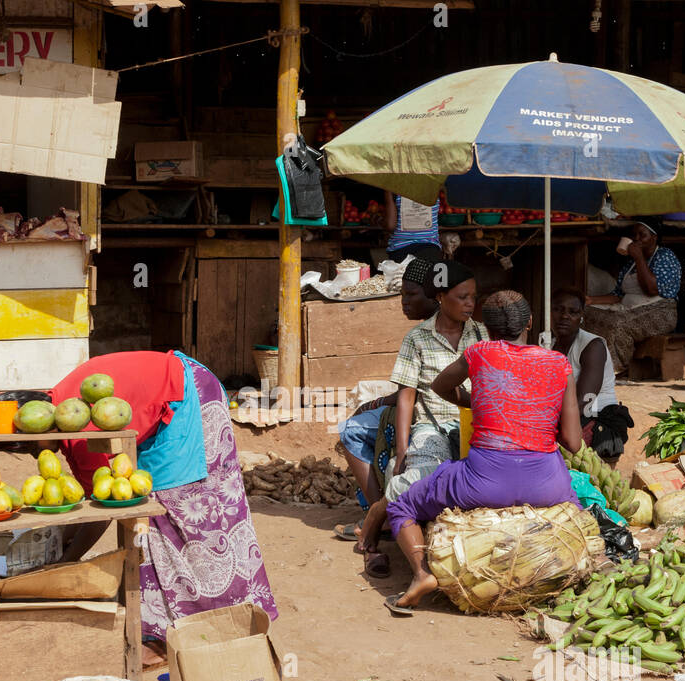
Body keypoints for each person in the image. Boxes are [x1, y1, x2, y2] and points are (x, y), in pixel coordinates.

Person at [43, 350, 278, 656]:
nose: (38, 457)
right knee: (153, 516)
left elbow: (100, 510)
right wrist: (57, 545)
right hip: (172, 396)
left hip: (189, 396)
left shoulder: (78, 429)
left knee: (177, 513)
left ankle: (216, 627)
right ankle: (163, 629)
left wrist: (65, 561)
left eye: (32, 447)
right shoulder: (60, 403)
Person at [383, 290, 583, 614]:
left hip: (482, 481)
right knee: (581, 511)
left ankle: (421, 575)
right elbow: (573, 443)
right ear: (529, 323)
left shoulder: (479, 352)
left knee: (402, 506)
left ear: (486, 329)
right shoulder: (559, 364)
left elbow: (438, 387)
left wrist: (475, 402)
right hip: (548, 483)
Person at [356, 260, 487, 576]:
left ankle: (380, 513)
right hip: (431, 427)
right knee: (422, 475)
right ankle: (380, 516)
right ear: (441, 297)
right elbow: (406, 396)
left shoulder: (480, 333)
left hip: (472, 424)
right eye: (462, 297)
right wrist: (402, 450)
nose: (470, 303)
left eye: (473, 297)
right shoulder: (417, 338)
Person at [333, 260, 440, 542]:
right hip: (421, 408)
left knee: (351, 430)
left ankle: (378, 513)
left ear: (433, 295)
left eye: (411, 295)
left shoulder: (419, 335)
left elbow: (409, 394)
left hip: (425, 416)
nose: (403, 302)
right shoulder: (435, 328)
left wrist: (373, 404)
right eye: (402, 294)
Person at [583, 220, 681, 374]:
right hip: (630, 308)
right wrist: (591, 300)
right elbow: (618, 295)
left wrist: (639, 258)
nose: (637, 239)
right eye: (634, 235)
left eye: (642, 235)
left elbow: (652, 289)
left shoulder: (665, 256)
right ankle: (591, 361)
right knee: (585, 313)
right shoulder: (631, 263)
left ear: (654, 238)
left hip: (661, 312)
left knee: (617, 324)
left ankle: (617, 368)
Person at [550, 289, 635, 458]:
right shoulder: (549, 343)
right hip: (569, 412)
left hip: (596, 414)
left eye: (572, 312)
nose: (565, 316)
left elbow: (584, 400)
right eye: (558, 310)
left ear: (581, 316)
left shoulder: (592, 346)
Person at [385, 192, 442, 262]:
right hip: (430, 249)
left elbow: (390, 226)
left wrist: (387, 193)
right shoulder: (435, 188)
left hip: (401, 250)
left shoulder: (394, 189)